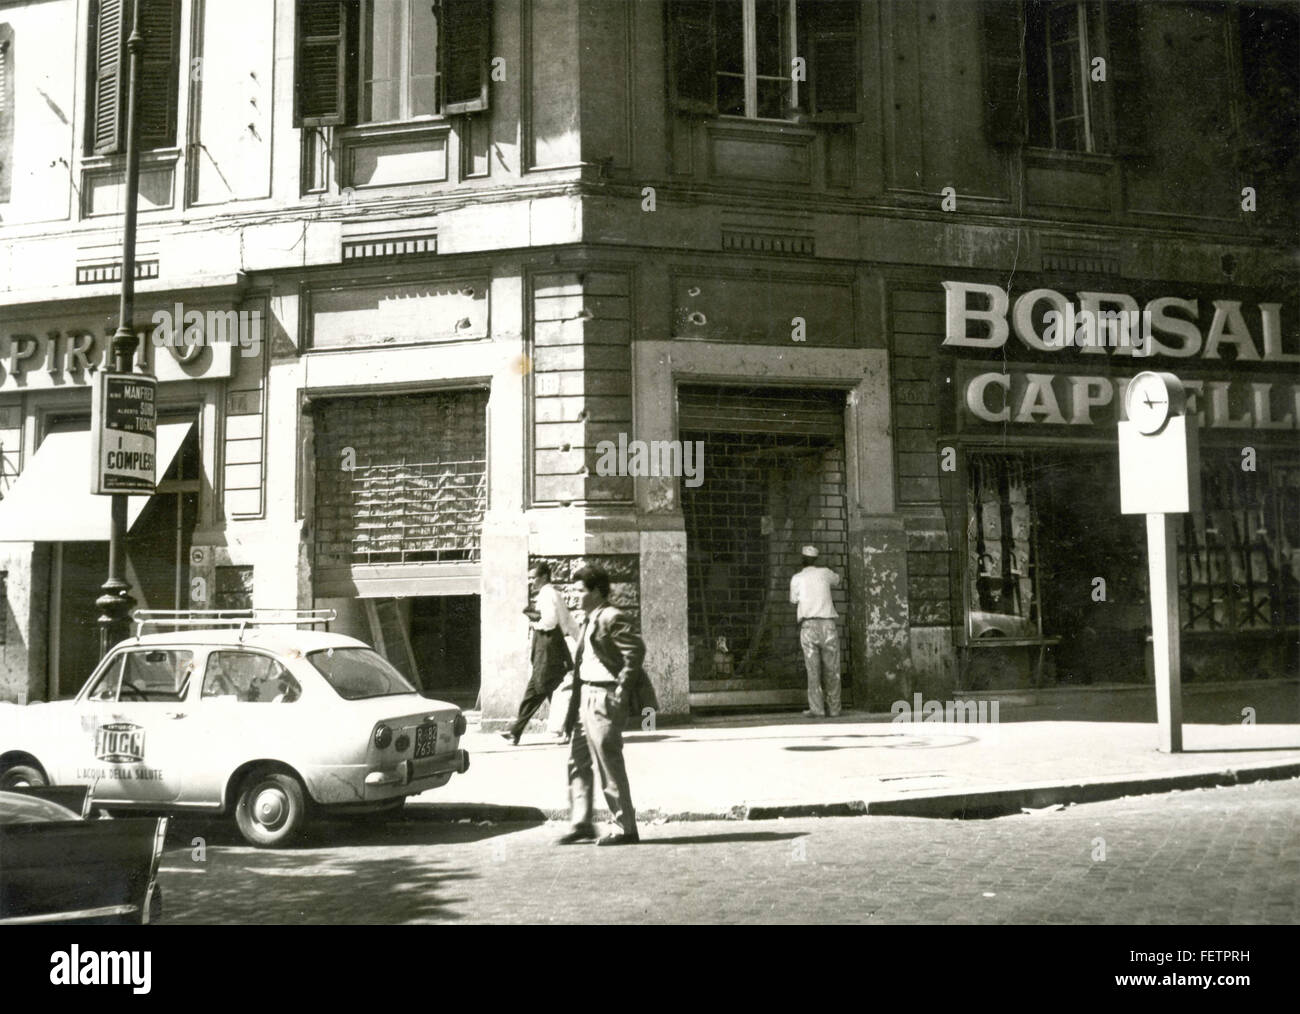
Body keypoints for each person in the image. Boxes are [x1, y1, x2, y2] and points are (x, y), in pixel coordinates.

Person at [556, 564, 644, 846]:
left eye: (580, 591)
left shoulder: (612, 617)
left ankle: (624, 826)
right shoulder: (589, 618)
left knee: (608, 761)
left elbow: (635, 653)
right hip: (584, 696)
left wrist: (620, 691)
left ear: (595, 591)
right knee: (577, 760)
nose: (576, 596)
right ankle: (581, 822)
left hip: (603, 697)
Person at [501, 562, 580, 746]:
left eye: (533, 577)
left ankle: (515, 733)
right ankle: (569, 730)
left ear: (544, 577)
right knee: (550, 689)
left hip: (549, 648)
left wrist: (535, 622)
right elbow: (568, 621)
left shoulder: (546, 594)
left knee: (536, 689)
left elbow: (550, 622)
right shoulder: (554, 594)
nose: (531, 582)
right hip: (555, 648)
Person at [789, 545, 842, 718]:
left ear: (801, 560)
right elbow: (838, 579)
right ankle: (834, 708)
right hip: (828, 625)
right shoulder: (825, 573)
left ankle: (817, 709)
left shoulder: (797, 578)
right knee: (832, 668)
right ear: (816, 559)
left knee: (813, 670)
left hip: (809, 626)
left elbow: (793, 600)